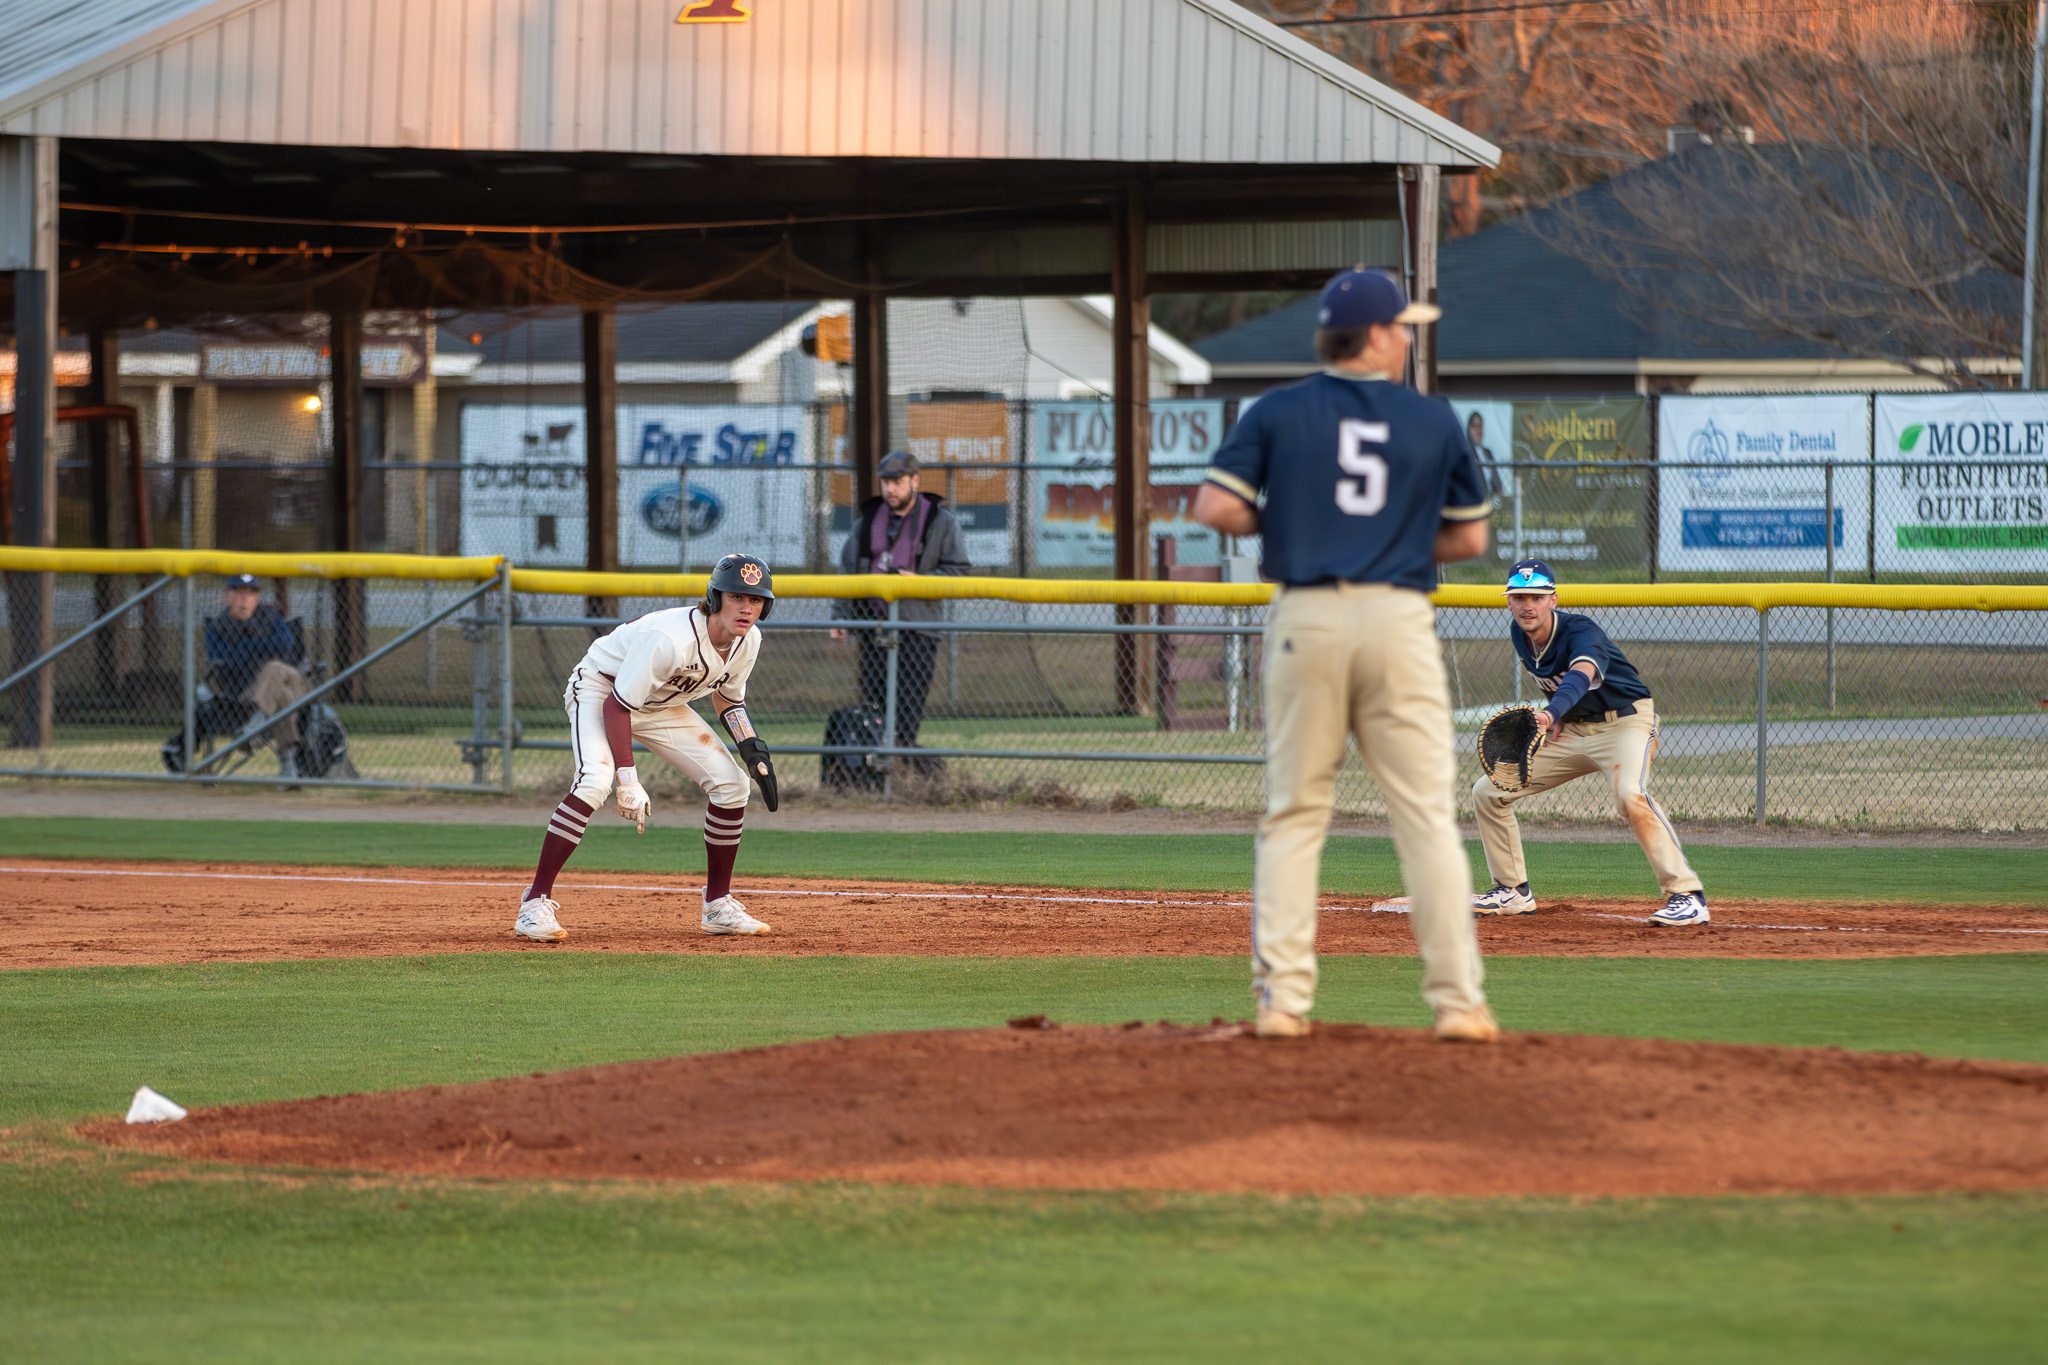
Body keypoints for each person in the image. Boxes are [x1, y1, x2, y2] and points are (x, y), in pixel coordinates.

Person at [1193, 266, 1500, 1044]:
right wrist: (1391, 535)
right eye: (1401, 326)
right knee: (1427, 818)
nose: (1407, 337)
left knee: (1295, 815)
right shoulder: (1432, 419)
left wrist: (1297, 521)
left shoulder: (1279, 409)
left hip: (1308, 615)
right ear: (1372, 336)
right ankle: (1459, 1004)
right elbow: (1469, 536)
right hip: (1397, 618)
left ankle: (1283, 1004)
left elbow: (1217, 504)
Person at [514, 553, 782, 943]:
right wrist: (628, 779)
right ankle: (533, 903)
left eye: (756, 600)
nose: (746, 607)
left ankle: (718, 905)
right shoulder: (671, 639)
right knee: (594, 783)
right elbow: (618, 706)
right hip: (602, 689)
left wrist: (752, 748)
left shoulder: (748, 641)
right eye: (736, 596)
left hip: (660, 704)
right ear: (715, 597)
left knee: (733, 786)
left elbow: (729, 699)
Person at [1471, 560, 1709, 927]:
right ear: (1508, 602)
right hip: (1574, 731)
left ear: (1554, 599)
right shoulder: (1521, 634)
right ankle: (1512, 892)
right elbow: (1558, 682)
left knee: (1631, 795)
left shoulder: (1581, 631)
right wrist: (1562, 716)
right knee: (1489, 791)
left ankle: (1687, 896)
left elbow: (1581, 676)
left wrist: (1551, 713)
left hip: (1626, 723)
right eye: (1519, 596)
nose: (1527, 605)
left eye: (1536, 596)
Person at [831, 449, 971, 762]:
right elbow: (847, 570)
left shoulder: (940, 521)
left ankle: (901, 774)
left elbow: (959, 572)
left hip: (917, 630)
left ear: (915, 481)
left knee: (907, 712)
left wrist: (919, 579)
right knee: (876, 708)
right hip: (875, 628)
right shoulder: (868, 520)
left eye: (897, 481)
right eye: (886, 482)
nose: (890, 489)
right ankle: (877, 773)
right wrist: (841, 615)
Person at [204, 573, 311, 776]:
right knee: (283, 693)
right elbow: (226, 658)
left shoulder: (271, 617)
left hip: (294, 681)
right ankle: (288, 766)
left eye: (251, 594)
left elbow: (285, 645)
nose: (245, 600)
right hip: (244, 691)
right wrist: (263, 649)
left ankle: (255, 729)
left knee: (276, 669)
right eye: (238, 593)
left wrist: (244, 647)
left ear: (258, 597)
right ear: (227, 595)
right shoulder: (217, 627)